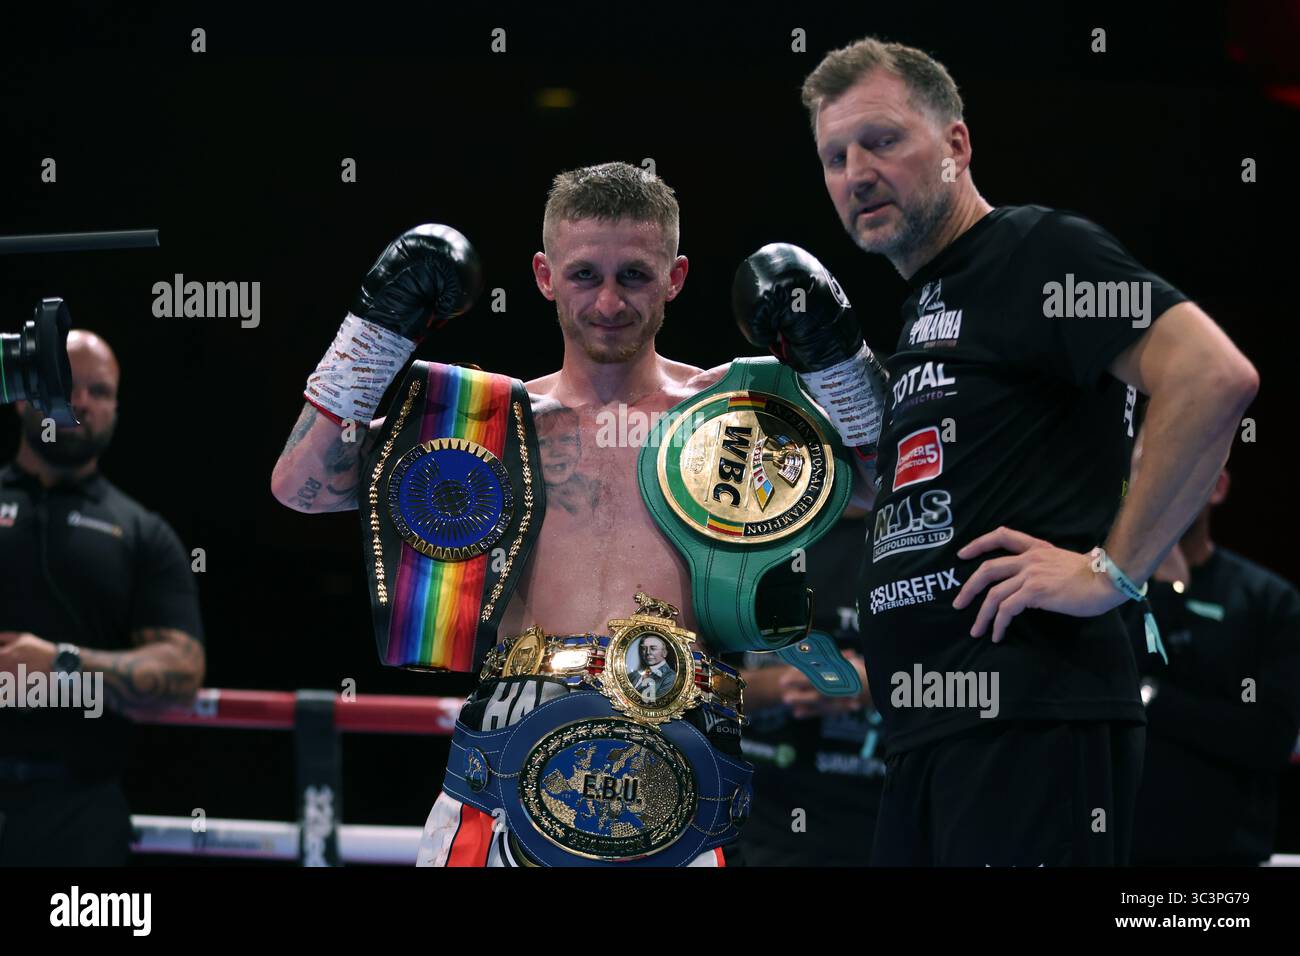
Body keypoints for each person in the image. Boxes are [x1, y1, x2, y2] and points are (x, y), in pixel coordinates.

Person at [271, 161, 884, 866]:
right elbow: (303, 485)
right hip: (502, 785)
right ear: (544, 275)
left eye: (635, 276)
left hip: (682, 786)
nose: (609, 302)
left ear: (675, 279)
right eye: (585, 274)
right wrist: (375, 334)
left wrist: (836, 357)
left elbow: (887, 481)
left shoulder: (738, 423)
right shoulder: (488, 426)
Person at [788, 37, 1258, 865]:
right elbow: (913, 505)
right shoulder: (928, 305)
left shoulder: (1038, 252)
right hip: (925, 735)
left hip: (1032, 720)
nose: (856, 172)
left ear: (956, 146)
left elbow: (1212, 375)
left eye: (883, 140)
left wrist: (1109, 571)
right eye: (835, 156)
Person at [0, 330, 206, 866]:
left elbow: (181, 670)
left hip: (77, 814)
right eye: (66, 384)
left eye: (101, 391)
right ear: (23, 389)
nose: (82, 403)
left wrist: (62, 665)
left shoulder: (142, 534)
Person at [1128, 462, 1300, 865]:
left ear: (1217, 486)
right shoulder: (1098, 591)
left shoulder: (1269, 600)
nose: (1153, 485)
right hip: (1118, 847)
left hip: (1227, 853)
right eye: (1141, 469)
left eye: (1173, 462)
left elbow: (1270, 738)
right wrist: (1163, 588)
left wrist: (1153, 697)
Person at [734, 514, 883, 866]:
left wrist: (869, 686)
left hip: (870, 818)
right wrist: (776, 686)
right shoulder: (754, 535)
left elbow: (961, 683)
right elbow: (688, 679)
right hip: (755, 814)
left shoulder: (901, 535)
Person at [630, 635, 675, 703]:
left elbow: (656, 705)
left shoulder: (671, 677)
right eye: (644, 648)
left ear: (664, 652)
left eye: (653, 648)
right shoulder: (633, 675)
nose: (647, 652)